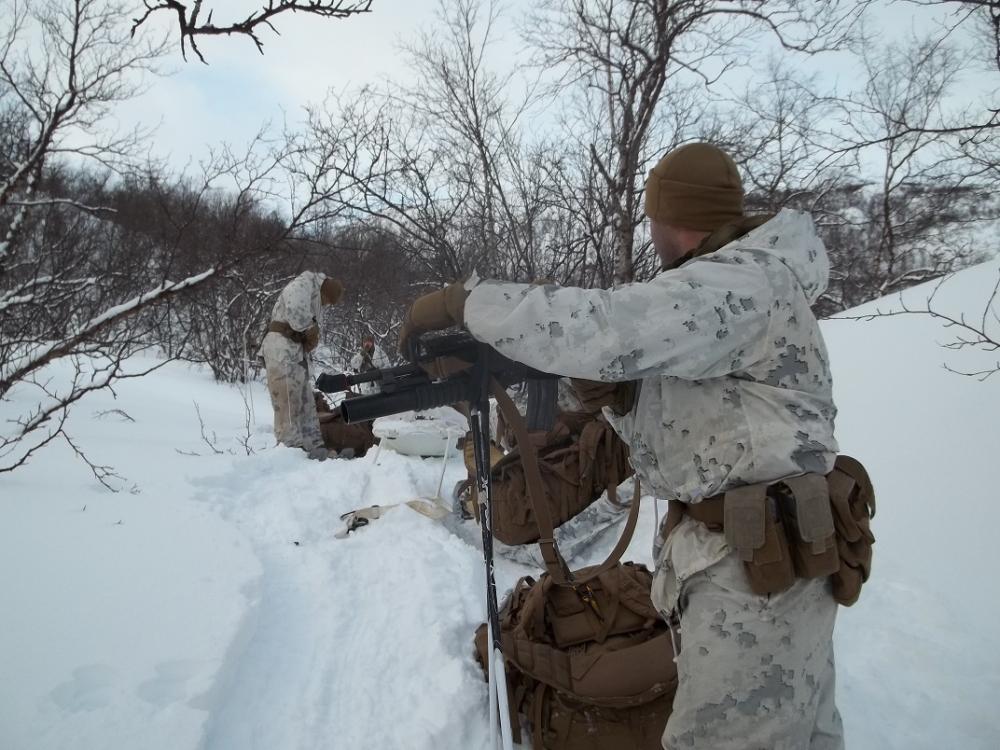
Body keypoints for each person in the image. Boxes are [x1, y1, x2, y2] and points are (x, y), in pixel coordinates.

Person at [398, 143, 846, 749]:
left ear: (674, 217)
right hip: (751, 560)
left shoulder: (741, 284)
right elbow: (688, 426)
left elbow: (601, 324)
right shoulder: (733, 290)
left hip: (754, 580)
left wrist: (465, 302)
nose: (650, 229)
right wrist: (617, 397)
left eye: (654, 216)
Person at [260, 271, 343, 460]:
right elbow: (297, 315)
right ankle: (290, 452)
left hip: (294, 352)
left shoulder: (312, 292)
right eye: (327, 301)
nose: (325, 305)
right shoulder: (302, 285)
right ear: (324, 291)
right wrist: (311, 329)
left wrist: (309, 336)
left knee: (306, 403)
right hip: (281, 351)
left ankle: (314, 447)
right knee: (288, 404)